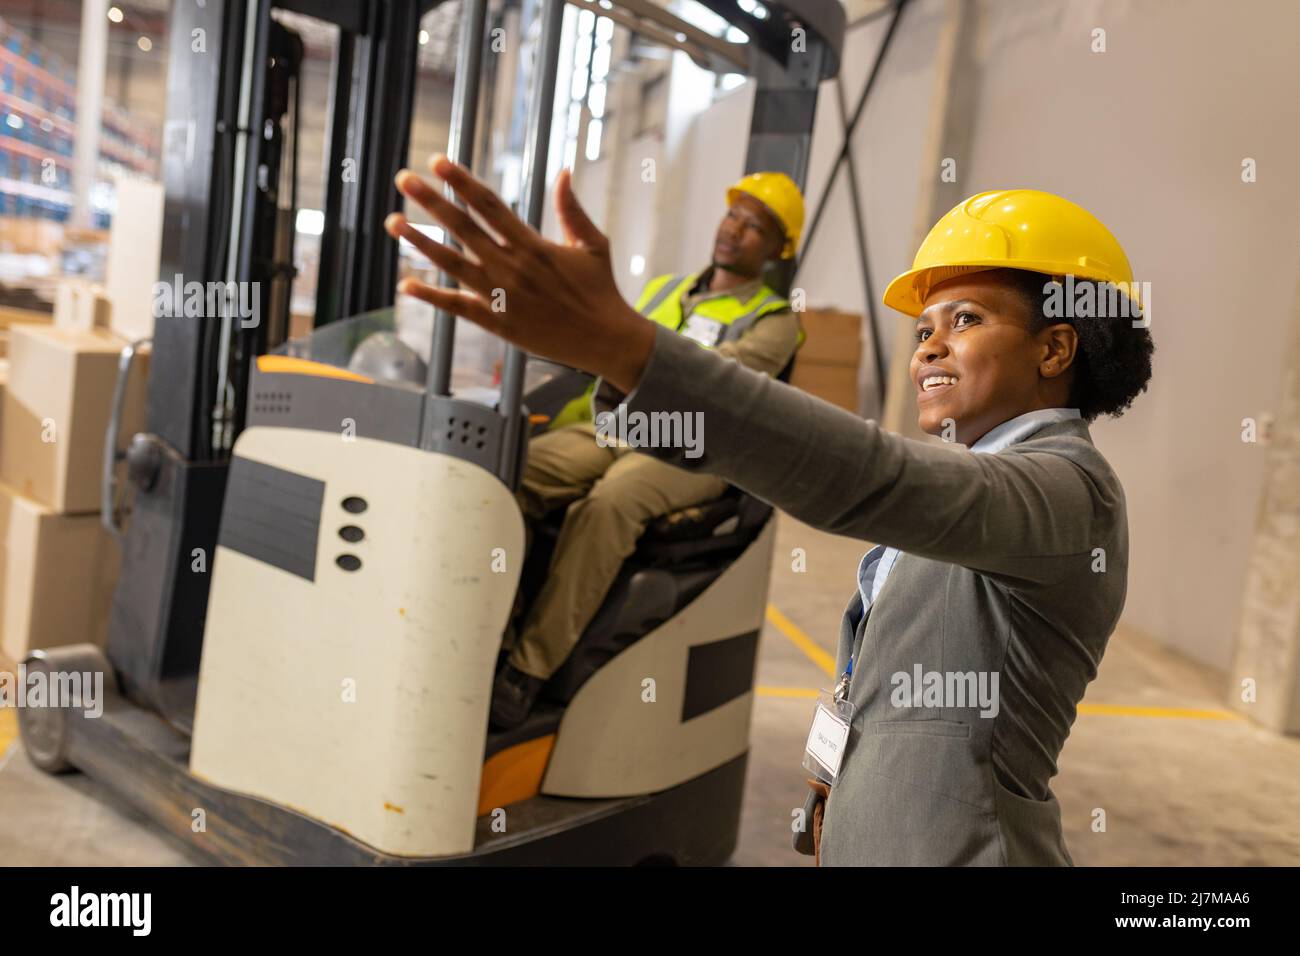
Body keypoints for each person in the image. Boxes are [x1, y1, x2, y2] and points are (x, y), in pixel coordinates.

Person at [387, 157, 1155, 866]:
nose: (927, 348)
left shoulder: (1068, 495)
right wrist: (837, 779)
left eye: (964, 321)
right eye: (924, 330)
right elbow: (885, 668)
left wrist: (628, 347)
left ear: (1056, 351)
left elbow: (868, 476)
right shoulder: (986, 479)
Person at [386, 169, 806, 730]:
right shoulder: (663, 288)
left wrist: (622, 346)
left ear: (778, 249)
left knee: (610, 505)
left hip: (692, 452)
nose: (735, 230)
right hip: (612, 427)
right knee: (505, 475)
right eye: (734, 214)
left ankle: (525, 672)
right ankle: (486, 634)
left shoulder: (776, 322)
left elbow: (720, 382)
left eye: (755, 227)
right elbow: (598, 346)